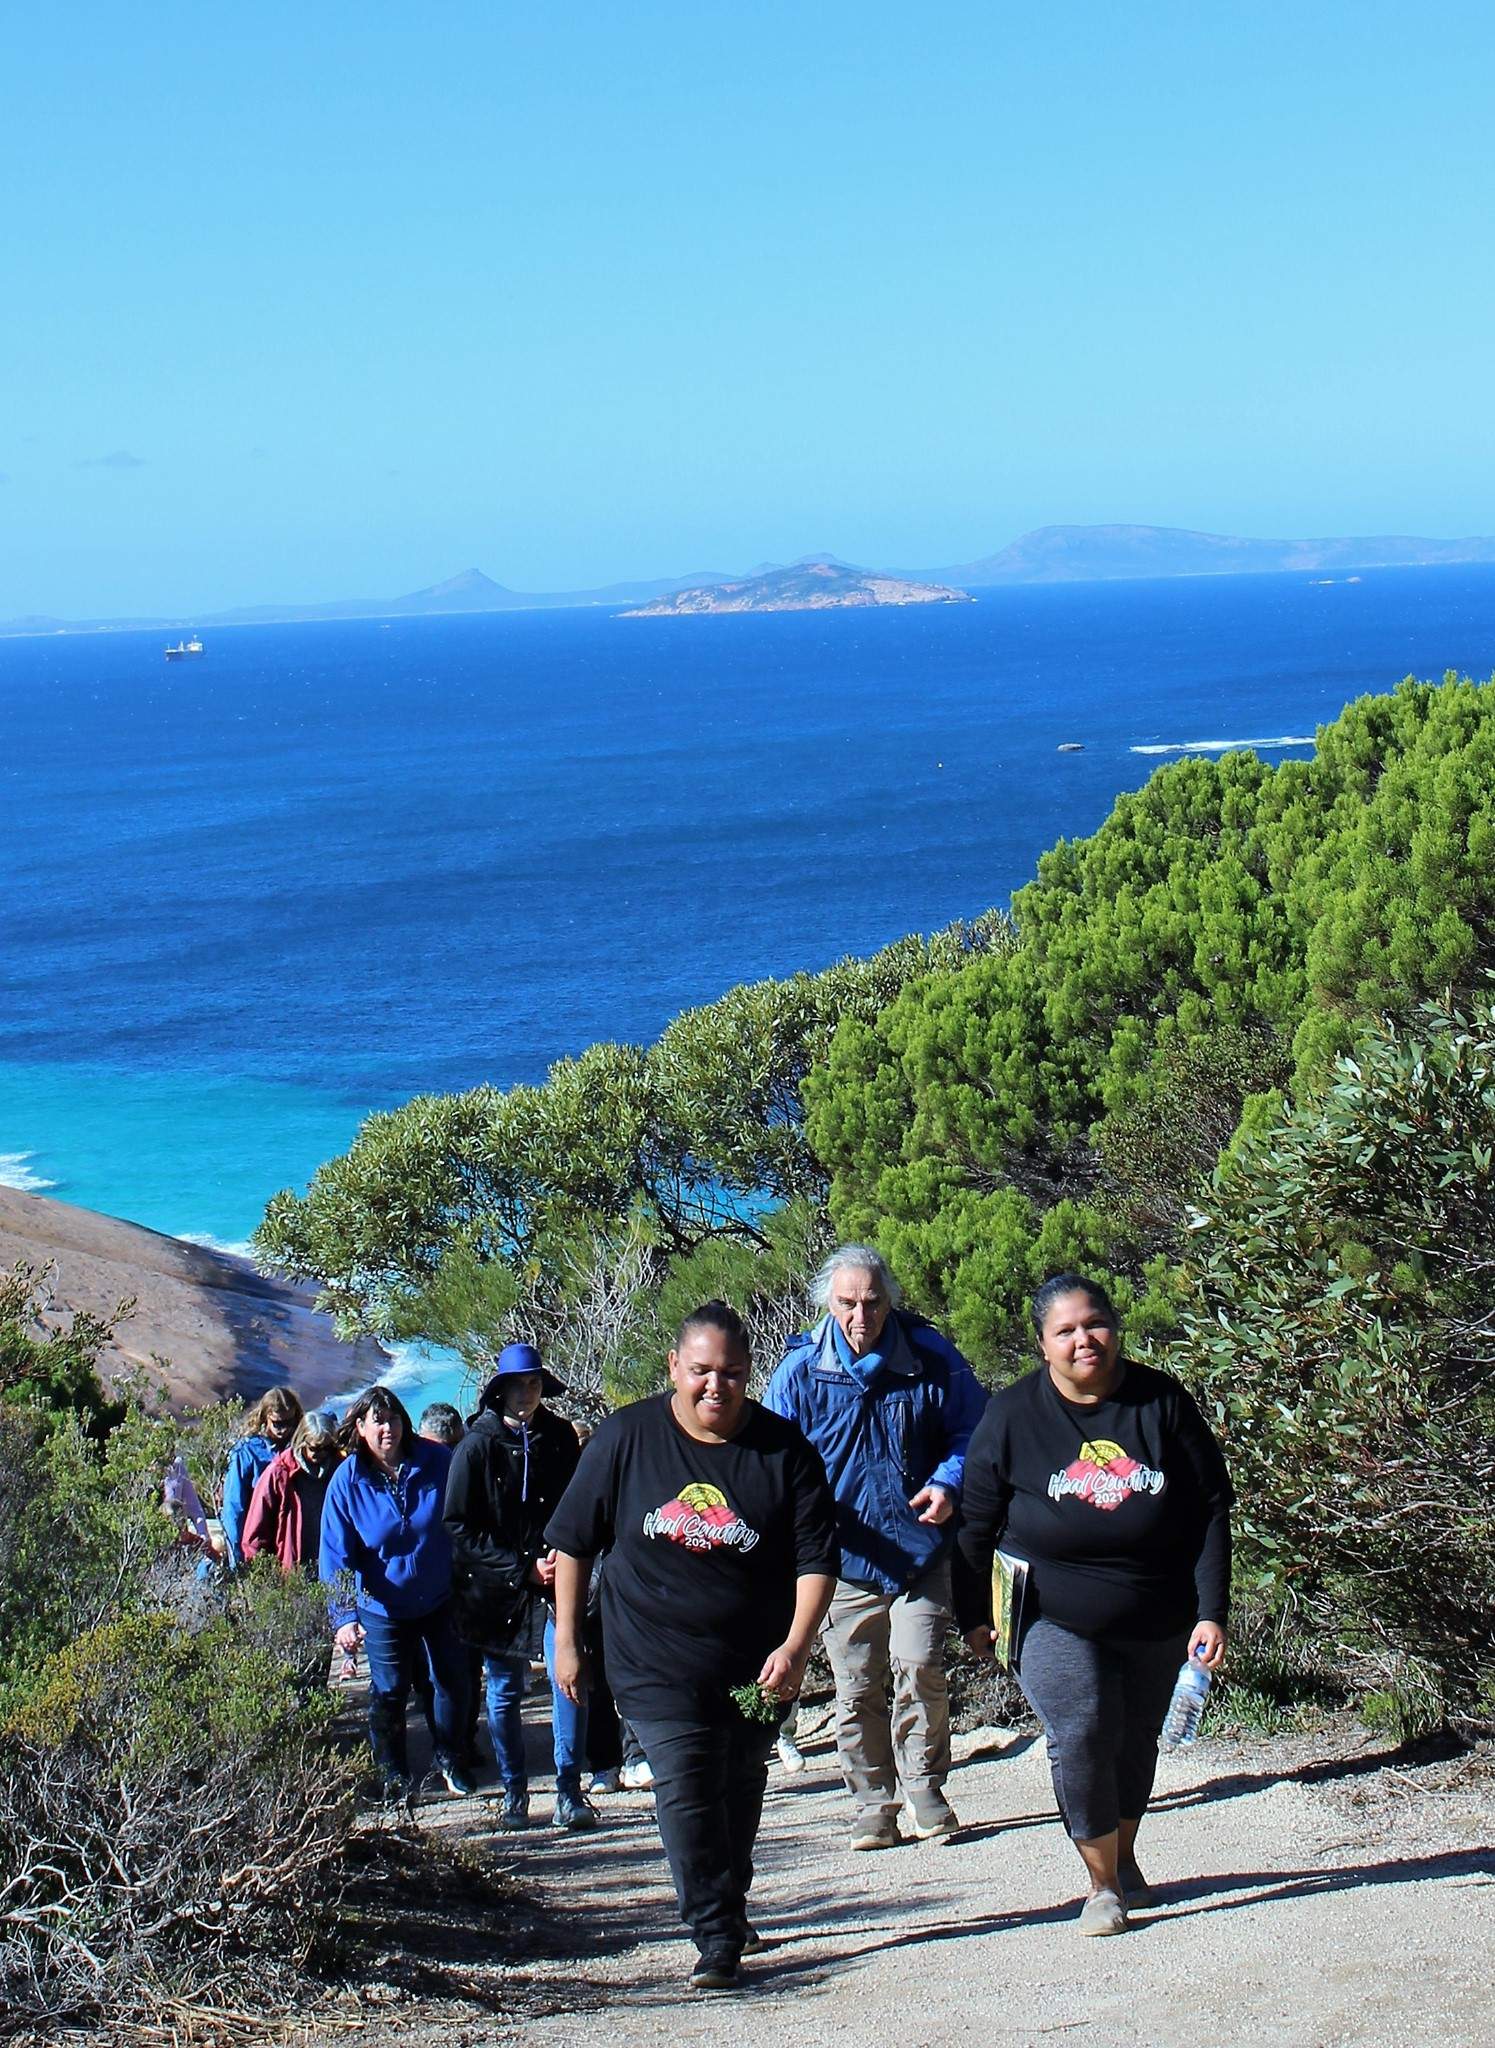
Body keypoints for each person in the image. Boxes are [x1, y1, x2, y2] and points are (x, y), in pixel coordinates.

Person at [548, 1301, 837, 1994]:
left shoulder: (783, 1452)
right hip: (651, 1656)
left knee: (739, 1783)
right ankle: (713, 1936)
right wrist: (566, 1639)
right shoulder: (625, 1438)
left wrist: (798, 1647)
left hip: (753, 1659)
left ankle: (729, 1903)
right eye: (701, 1371)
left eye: (732, 1373)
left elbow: (815, 1559)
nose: (716, 1386)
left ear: (749, 1374)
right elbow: (571, 1544)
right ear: (673, 1368)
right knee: (685, 1784)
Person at [954, 1273, 1233, 1937]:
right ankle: (1101, 1886)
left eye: (1094, 1323)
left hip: (1157, 1609)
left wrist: (1210, 1609)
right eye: (1065, 1330)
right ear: (1042, 1345)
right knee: (1082, 1726)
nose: (1084, 1339)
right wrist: (971, 1614)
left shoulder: (1160, 1401)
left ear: (1114, 1326)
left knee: (1135, 1737)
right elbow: (973, 1525)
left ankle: (1122, 1854)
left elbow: (1209, 1509)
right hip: (1049, 1611)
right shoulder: (1013, 1415)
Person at [764, 1245, 986, 1850]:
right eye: (847, 1303)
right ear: (827, 1303)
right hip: (842, 1563)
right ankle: (871, 1805)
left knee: (919, 1667)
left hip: (921, 1552)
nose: (861, 1315)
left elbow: (975, 1429)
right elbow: (772, 1461)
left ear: (890, 1300)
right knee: (857, 1686)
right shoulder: (800, 1372)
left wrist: (948, 1482)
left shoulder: (932, 1358)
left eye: (872, 1301)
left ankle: (925, 1790)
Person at [443, 1343, 594, 1832]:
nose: (526, 1393)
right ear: (500, 1389)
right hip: (496, 1589)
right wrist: (521, 1567)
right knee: (505, 1689)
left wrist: (559, 1556)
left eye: (533, 1383)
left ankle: (569, 1791)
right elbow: (459, 1525)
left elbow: (577, 1507)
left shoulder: (559, 1439)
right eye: (517, 1384)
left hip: (557, 1583)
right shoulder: (476, 1446)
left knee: (567, 1680)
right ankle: (515, 1791)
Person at [319, 1384, 473, 1799]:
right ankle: (393, 1773)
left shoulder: (436, 1460)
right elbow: (335, 1554)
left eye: (393, 1418)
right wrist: (344, 1616)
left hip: (440, 1597)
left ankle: (451, 1758)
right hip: (382, 1607)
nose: (387, 1428)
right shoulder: (348, 1480)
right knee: (389, 1689)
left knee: (451, 1682)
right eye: (378, 1421)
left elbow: (464, 1516)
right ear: (360, 1428)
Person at [241, 1409, 340, 1571]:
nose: (321, 1454)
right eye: (315, 1448)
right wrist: (262, 1575)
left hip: (332, 1568)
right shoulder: (279, 1473)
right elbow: (255, 1534)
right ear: (301, 1441)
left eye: (327, 1448)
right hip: (293, 1572)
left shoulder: (339, 1470)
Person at [220, 1387, 304, 1569]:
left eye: (289, 1422)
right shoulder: (247, 1452)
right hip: (258, 1541)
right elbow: (234, 1508)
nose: (284, 1429)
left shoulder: (301, 1449)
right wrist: (236, 1557)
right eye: (277, 1423)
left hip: (293, 1541)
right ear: (265, 1418)